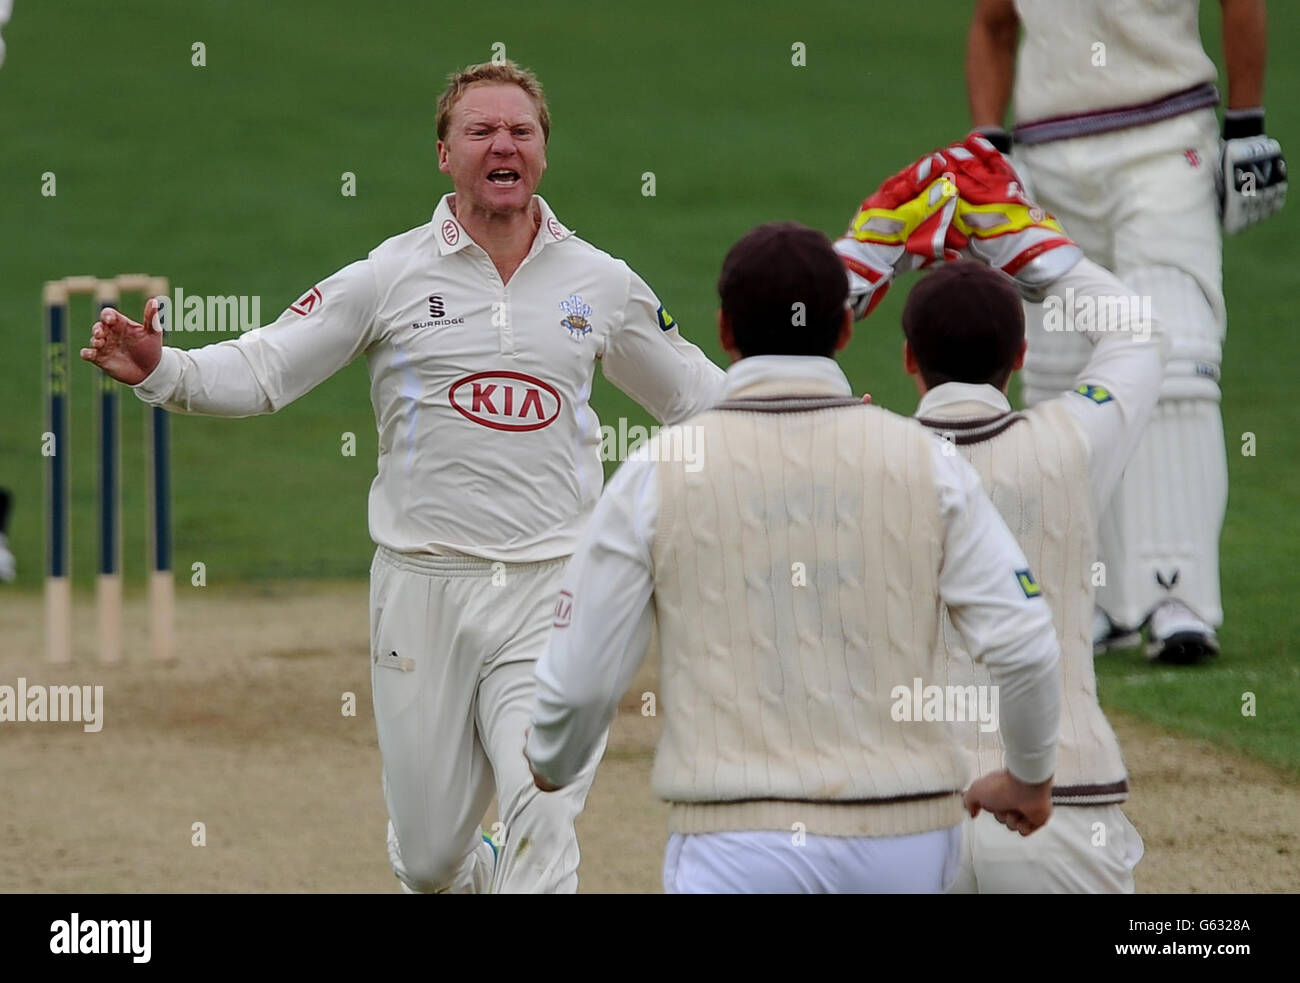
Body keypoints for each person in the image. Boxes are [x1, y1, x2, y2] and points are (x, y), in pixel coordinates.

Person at [79, 60, 725, 893]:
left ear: (542, 154)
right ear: (444, 154)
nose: (503, 145)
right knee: (427, 863)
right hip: (421, 588)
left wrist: (802, 412)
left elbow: (694, 394)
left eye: (520, 131)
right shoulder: (390, 274)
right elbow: (268, 367)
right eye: (481, 131)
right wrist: (165, 369)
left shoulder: (597, 281)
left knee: (544, 819)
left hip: (554, 586)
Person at [525, 193, 1065, 893]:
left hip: (736, 838)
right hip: (903, 837)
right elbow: (1024, 643)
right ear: (843, 328)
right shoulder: (926, 462)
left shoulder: (657, 472)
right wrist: (1029, 775)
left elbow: (584, 668)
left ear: (724, 330)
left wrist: (552, 756)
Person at [851, 135, 1164, 891]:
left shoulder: (850, 452)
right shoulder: (1073, 442)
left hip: (905, 822)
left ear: (907, 359)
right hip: (1063, 808)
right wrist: (1028, 242)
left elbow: (769, 357)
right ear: (1022, 356)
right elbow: (1137, 331)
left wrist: (862, 255)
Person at [966, 0, 1286, 663]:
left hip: (1165, 137)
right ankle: (1091, 596)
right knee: (1060, 373)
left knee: (1175, 356)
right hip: (1047, 150)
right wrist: (990, 147)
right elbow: (995, 22)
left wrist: (1247, 124)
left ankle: (1179, 598)